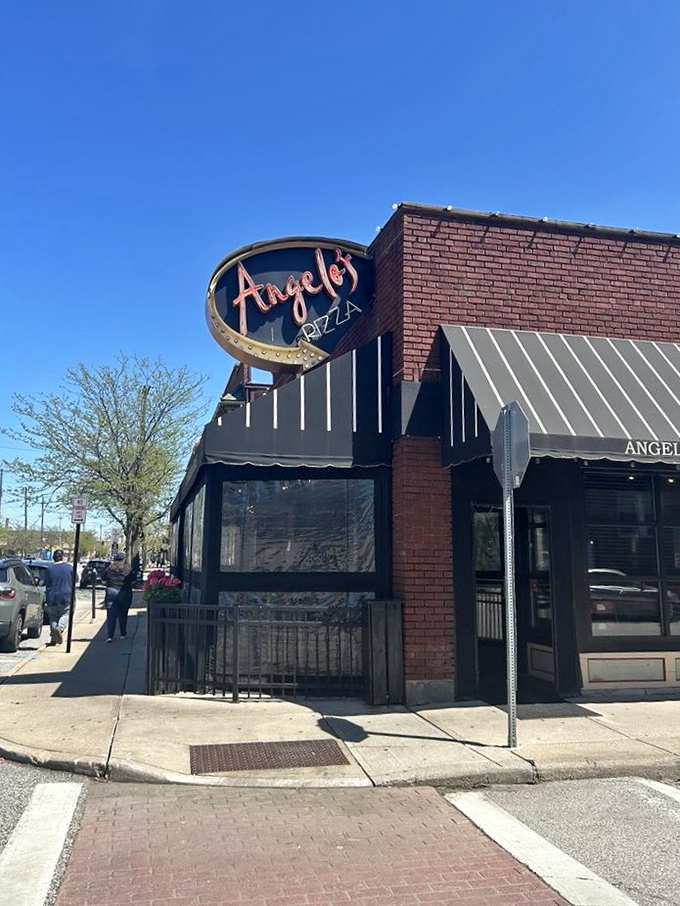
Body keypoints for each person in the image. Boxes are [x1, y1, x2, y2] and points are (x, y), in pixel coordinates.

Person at [44, 549, 73, 645]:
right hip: (65, 596)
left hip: (52, 597)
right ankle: (60, 628)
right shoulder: (69, 568)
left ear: (53, 558)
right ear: (62, 557)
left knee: (53, 617)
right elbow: (75, 579)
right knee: (66, 614)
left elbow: (45, 582)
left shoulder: (49, 569)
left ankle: (54, 638)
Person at [102, 553, 133, 642]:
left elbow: (103, 581)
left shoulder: (109, 570)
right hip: (124, 593)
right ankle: (123, 634)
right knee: (123, 614)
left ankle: (110, 636)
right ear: (124, 560)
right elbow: (133, 580)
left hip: (111, 593)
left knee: (111, 615)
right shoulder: (127, 570)